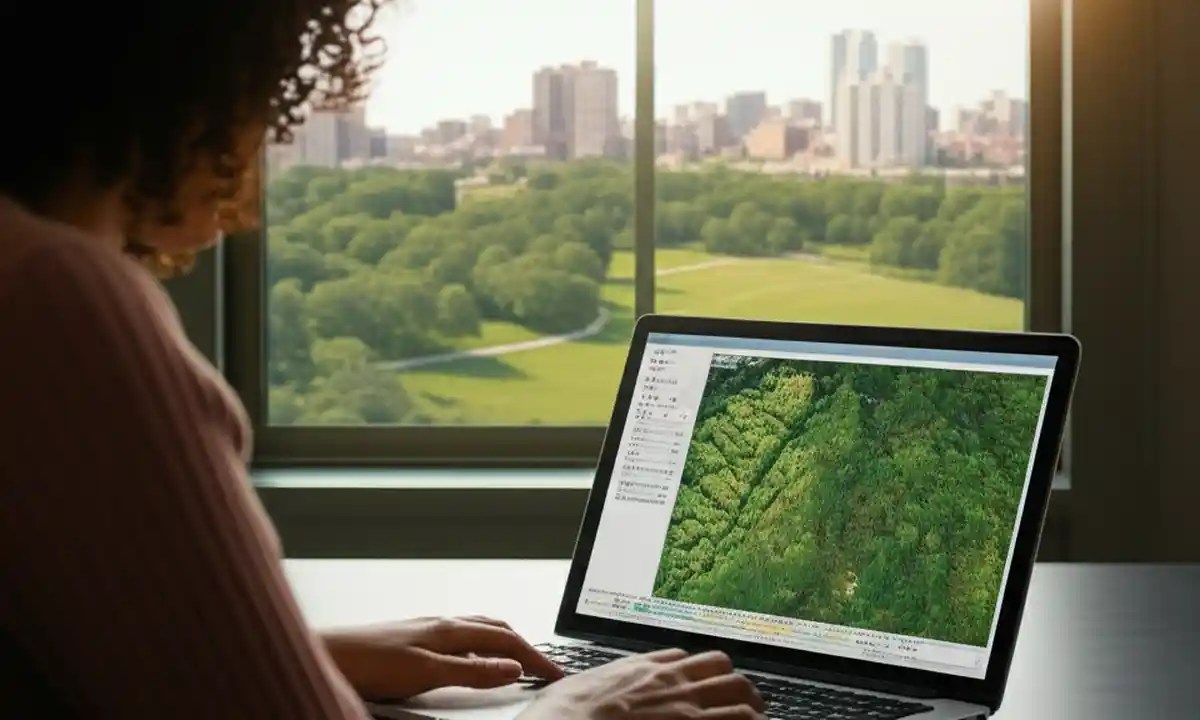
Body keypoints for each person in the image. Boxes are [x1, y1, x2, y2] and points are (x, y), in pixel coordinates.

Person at [0, 2, 765, 718]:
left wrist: (303, 653)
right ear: (186, 80)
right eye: (266, 108)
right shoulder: (55, 298)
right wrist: (575, 708)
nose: (252, 192)